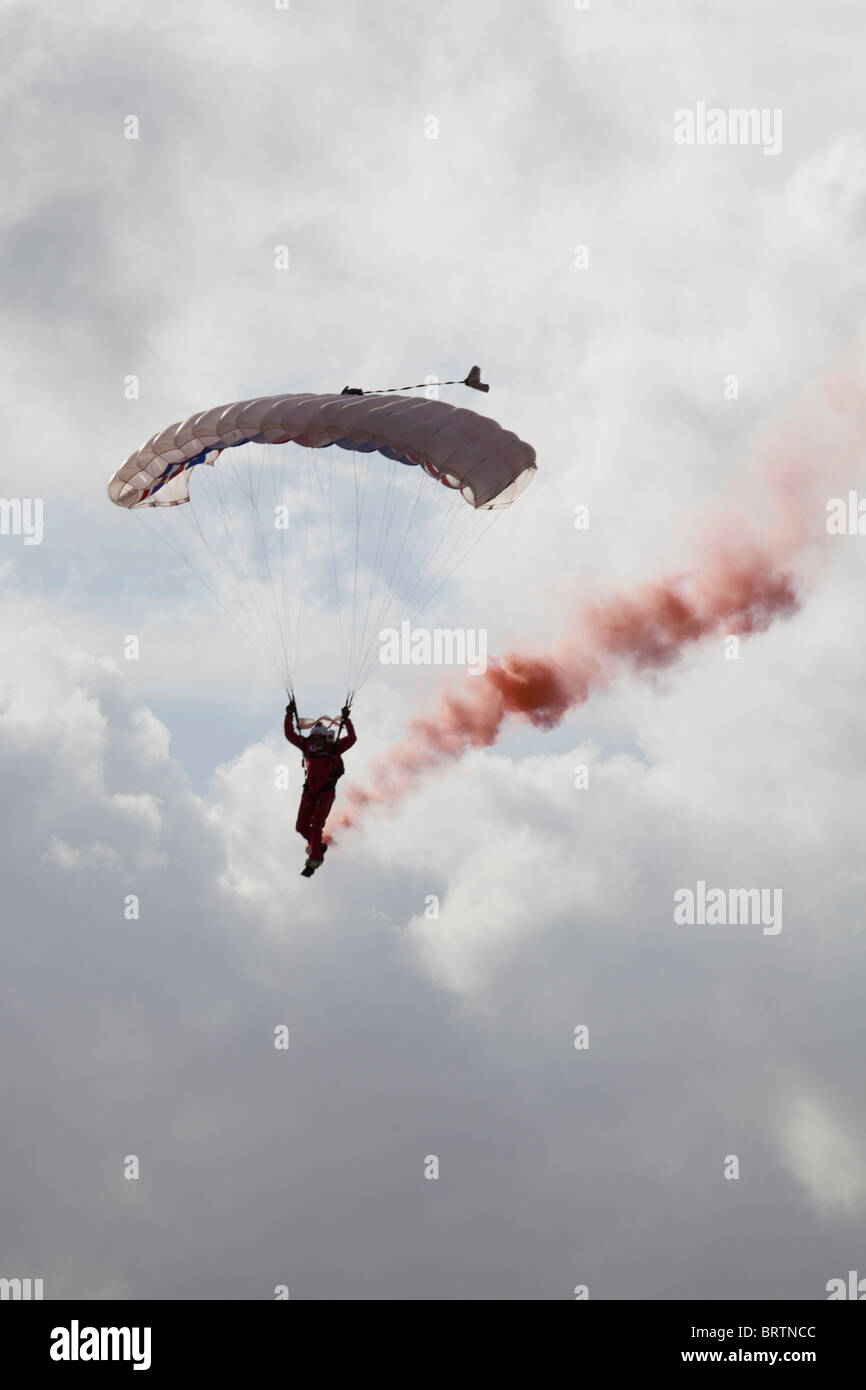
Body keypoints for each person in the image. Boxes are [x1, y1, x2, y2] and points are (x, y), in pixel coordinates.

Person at [284, 699, 356, 875]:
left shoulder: (334, 749)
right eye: (314, 738)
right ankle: (318, 845)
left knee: (316, 827)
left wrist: (346, 720)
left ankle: (315, 860)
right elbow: (290, 734)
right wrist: (288, 714)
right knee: (301, 826)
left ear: (324, 738)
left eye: (318, 738)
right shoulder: (307, 746)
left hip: (325, 793)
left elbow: (352, 738)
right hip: (309, 791)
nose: (316, 742)